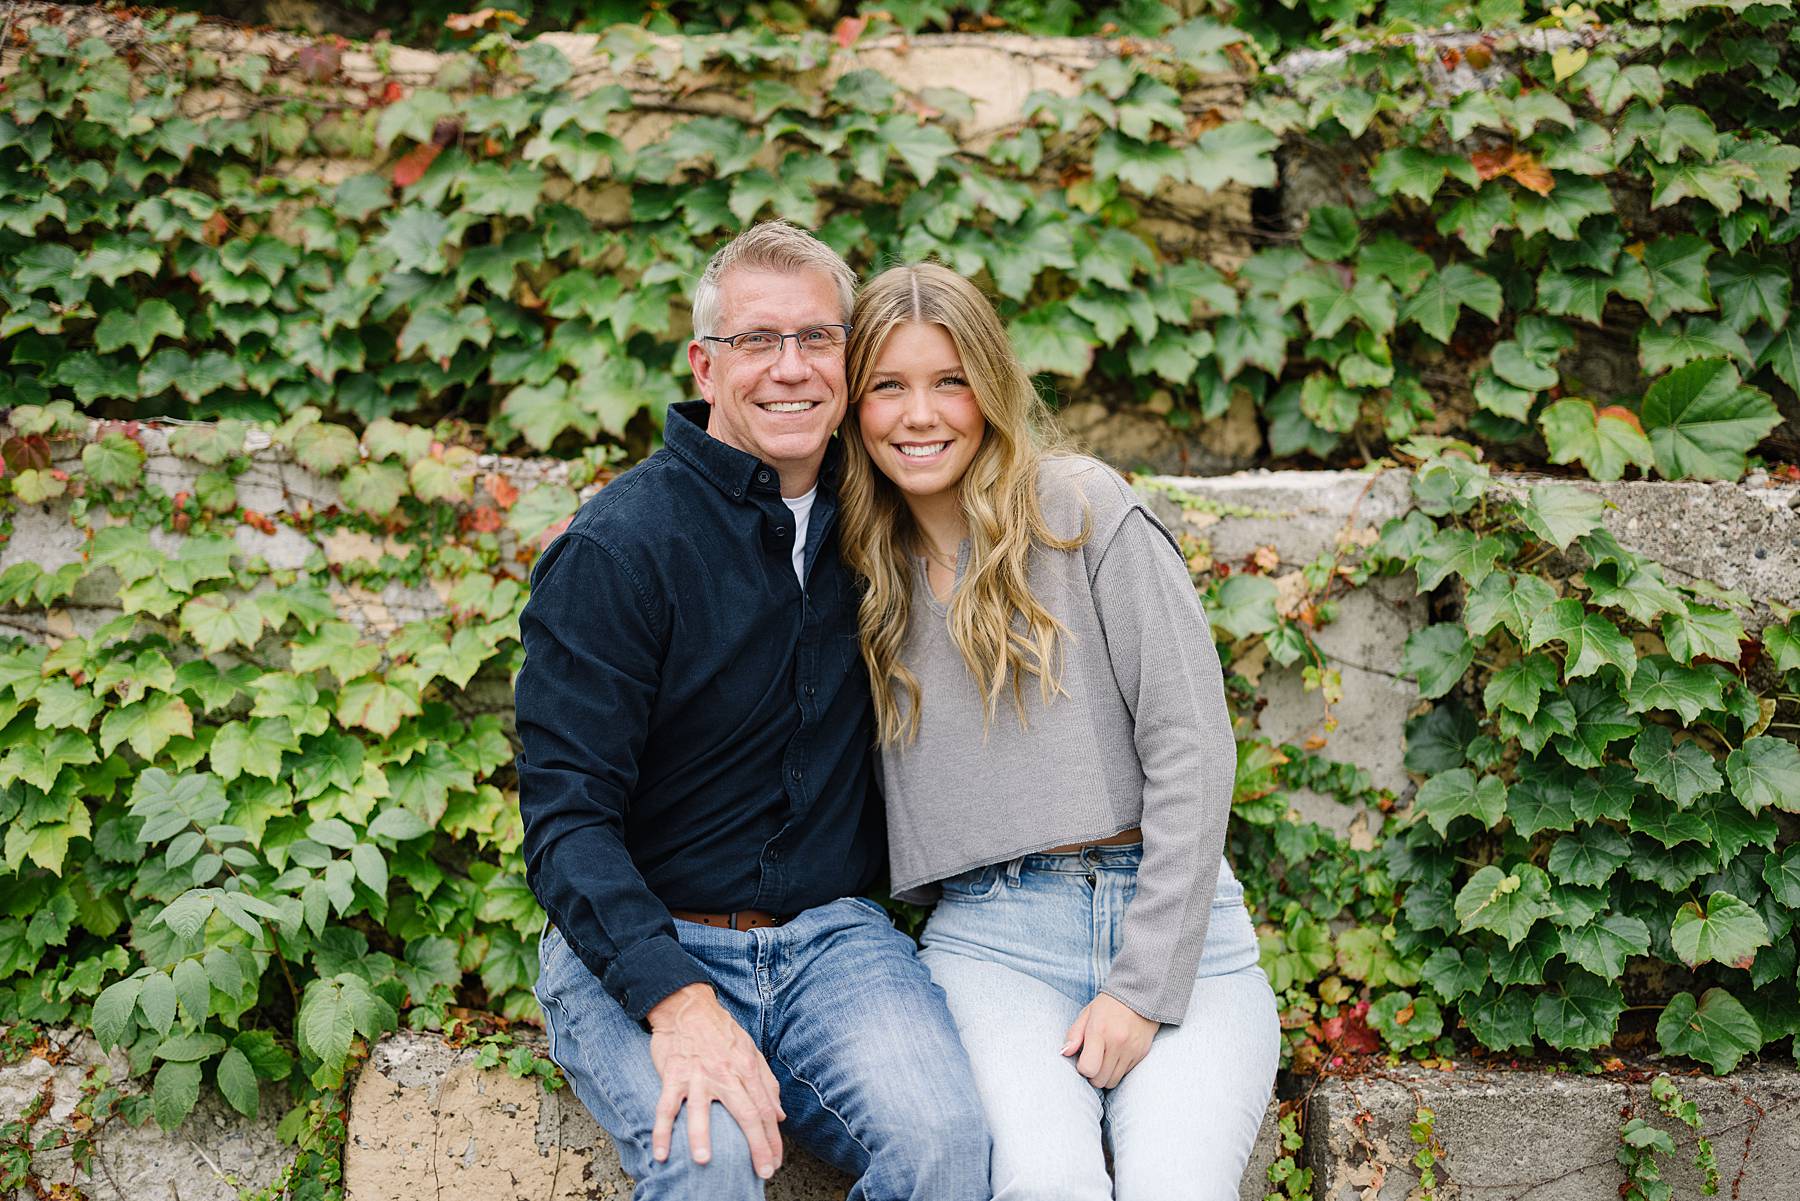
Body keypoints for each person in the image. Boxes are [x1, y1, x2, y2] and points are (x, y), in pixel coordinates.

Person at [516, 224, 990, 1201]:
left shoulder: (886, 515)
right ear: (705, 364)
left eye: (817, 338)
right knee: (709, 1159)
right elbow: (566, 822)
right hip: (650, 935)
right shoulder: (618, 549)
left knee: (945, 1146)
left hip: (834, 944)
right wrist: (677, 998)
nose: (791, 367)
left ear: (849, 361)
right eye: (757, 340)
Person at [838, 262, 1280, 1201]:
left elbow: (1193, 745)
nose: (920, 414)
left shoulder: (1080, 508)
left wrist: (1143, 985)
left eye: (950, 380)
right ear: (853, 405)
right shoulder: (858, 573)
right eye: (888, 386)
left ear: (991, 387)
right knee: (1045, 1184)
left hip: (1180, 932)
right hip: (993, 942)